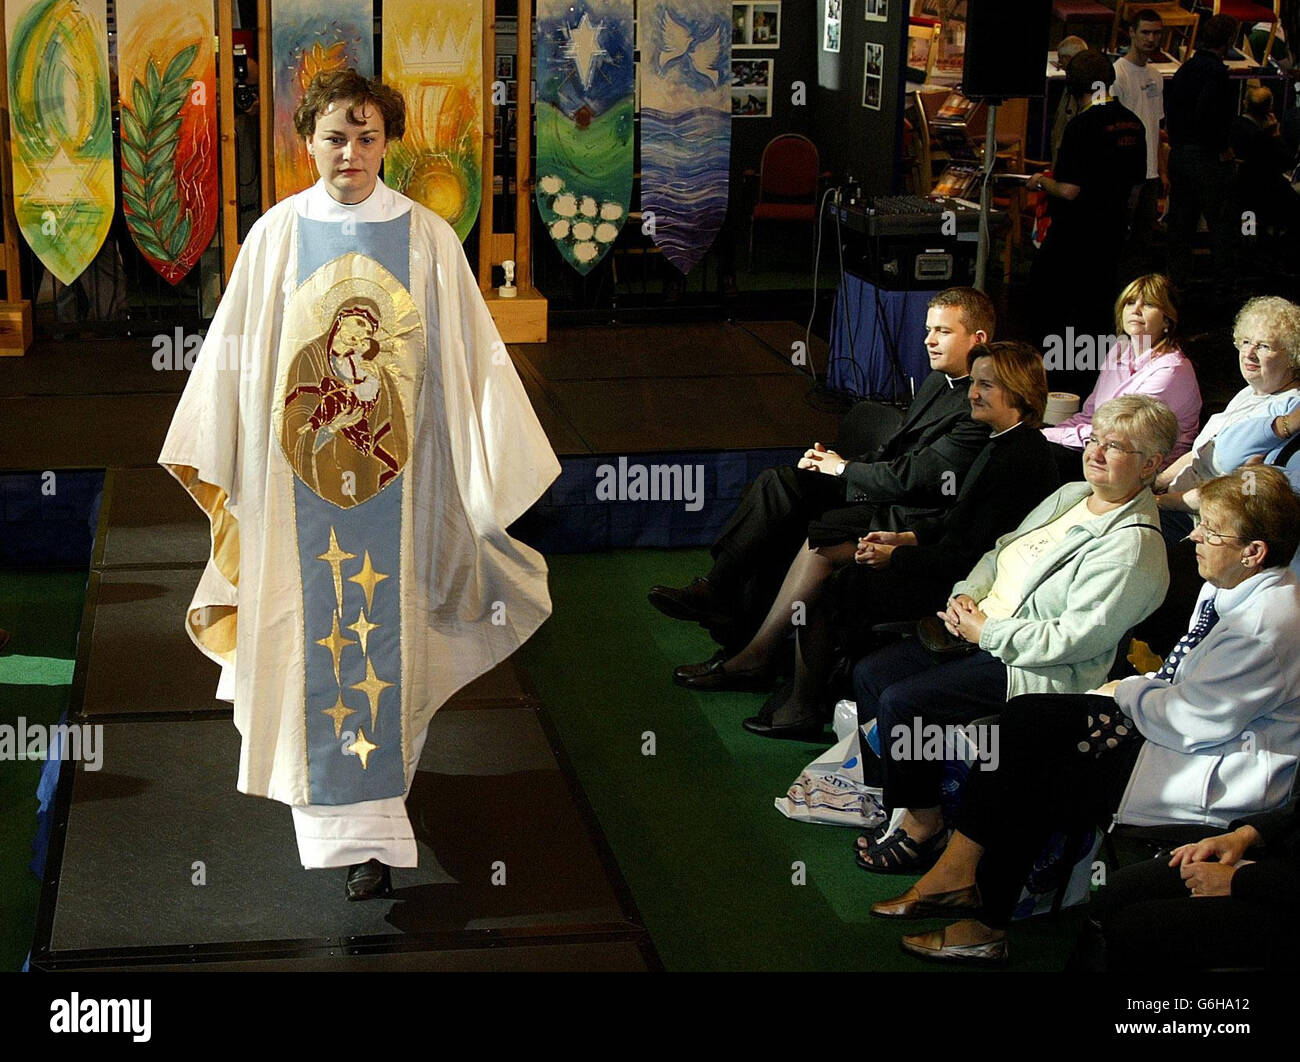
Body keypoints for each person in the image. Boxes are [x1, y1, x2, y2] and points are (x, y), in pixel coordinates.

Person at [158, 70, 560, 901]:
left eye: (368, 137)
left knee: (384, 649)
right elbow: (239, 363)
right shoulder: (275, 237)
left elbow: (465, 363)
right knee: (309, 648)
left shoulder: (426, 239)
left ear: (389, 144)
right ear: (307, 140)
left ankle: (375, 828)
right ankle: (337, 831)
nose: (350, 153)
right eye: (335, 136)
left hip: (396, 494)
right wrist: (226, 448)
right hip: (291, 485)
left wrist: (484, 460)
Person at [870, 467, 1300, 965]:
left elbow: (1193, 721)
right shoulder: (1232, 581)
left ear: (1254, 552)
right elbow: (1183, 686)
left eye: (1211, 530)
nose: (1195, 536)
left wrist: (1128, 688)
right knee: (1024, 725)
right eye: (1200, 523)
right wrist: (1135, 692)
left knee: (1036, 759)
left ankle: (977, 907)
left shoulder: (1268, 627)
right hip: (1168, 729)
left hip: (1208, 765)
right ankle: (966, 891)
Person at [852, 395, 1175, 874]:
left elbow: (1073, 639)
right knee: (870, 674)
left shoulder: (1133, 547)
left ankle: (925, 826)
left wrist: (990, 631)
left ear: (1150, 465)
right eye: (1094, 440)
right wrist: (967, 595)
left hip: (1032, 665)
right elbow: (1001, 552)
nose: (1096, 453)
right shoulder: (1070, 496)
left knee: (906, 701)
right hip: (979, 629)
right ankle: (898, 802)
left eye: (1115, 447)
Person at [726, 342, 1058, 738]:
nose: (971, 393)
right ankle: (776, 670)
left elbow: (971, 554)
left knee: (834, 591)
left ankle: (802, 704)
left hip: (964, 588)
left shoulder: (1019, 458)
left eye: (985, 385)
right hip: (945, 560)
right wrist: (908, 536)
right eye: (974, 383)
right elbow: (959, 522)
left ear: (1017, 391)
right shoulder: (1002, 441)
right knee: (826, 539)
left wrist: (896, 557)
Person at [648, 287, 994, 650]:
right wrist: (831, 464)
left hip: (905, 509)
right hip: (879, 484)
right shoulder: (937, 379)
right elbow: (894, 449)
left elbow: (913, 478)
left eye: (942, 331)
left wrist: (843, 469)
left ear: (978, 338)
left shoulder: (977, 403)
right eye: (928, 330)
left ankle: (731, 615)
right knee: (776, 485)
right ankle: (720, 593)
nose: (928, 340)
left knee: (792, 512)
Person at [1027, 50, 1146, 397]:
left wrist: (1039, 182)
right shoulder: (1133, 122)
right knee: (1099, 311)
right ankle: (1094, 383)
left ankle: (1058, 384)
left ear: (1072, 87)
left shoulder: (1081, 126)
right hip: (1111, 236)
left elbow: (1069, 189)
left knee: (1056, 308)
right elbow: (1136, 187)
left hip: (1074, 238)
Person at [1096, 797, 1300, 971]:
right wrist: (1244, 835)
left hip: (1284, 901)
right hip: (1278, 858)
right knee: (1113, 891)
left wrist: (1238, 880)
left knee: (1133, 929)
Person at [1155, 295, 1300, 538]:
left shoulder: (1291, 407)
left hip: (1204, 524)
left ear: (1294, 356)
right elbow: (1202, 451)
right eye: (1245, 342)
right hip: (1174, 500)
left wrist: (1158, 501)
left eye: (1264, 346)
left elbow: (1234, 489)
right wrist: (1155, 481)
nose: (1249, 353)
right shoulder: (1250, 392)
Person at [1042, 273, 1200, 478]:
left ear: (1167, 320)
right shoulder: (1119, 350)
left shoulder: (1171, 370)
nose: (1136, 310)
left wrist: (1051, 436)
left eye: (1149, 304)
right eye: (1130, 302)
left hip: (1141, 467)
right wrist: (1049, 434)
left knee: (1038, 456)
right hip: (1103, 449)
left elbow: (1119, 432)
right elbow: (1090, 414)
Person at [1165, 14, 1239, 299]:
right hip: (1207, 157)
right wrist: (1222, 148)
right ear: (1229, 40)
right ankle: (1225, 284)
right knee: (1220, 222)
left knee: (1181, 221)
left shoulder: (1185, 70)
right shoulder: (1217, 74)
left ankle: (1177, 280)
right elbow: (1211, 116)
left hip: (1180, 153)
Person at [1111, 10, 1167, 274]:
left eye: (1156, 33)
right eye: (1145, 32)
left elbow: (1156, 124)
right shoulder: (1118, 74)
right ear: (1132, 32)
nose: (1151, 38)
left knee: (1144, 239)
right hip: (1126, 172)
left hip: (1151, 171)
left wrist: (1161, 170)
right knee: (1120, 235)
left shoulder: (1156, 76)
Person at [1049, 36, 1089, 167]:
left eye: (1061, 61)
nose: (1060, 66)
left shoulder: (1080, 87)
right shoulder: (1074, 82)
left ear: (1067, 59)